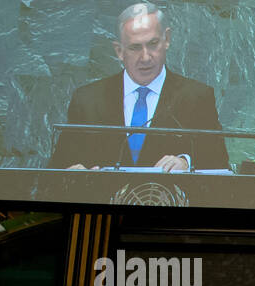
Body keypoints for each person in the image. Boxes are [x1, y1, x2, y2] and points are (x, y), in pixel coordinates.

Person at [49, 3, 229, 171]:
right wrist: (71, 175)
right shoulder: (87, 100)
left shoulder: (197, 97)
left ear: (167, 39)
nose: (145, 57)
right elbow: (58, 169)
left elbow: (219, 163)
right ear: (119, 51)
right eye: (135, 47)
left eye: (152, 44)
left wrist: (186, 163)